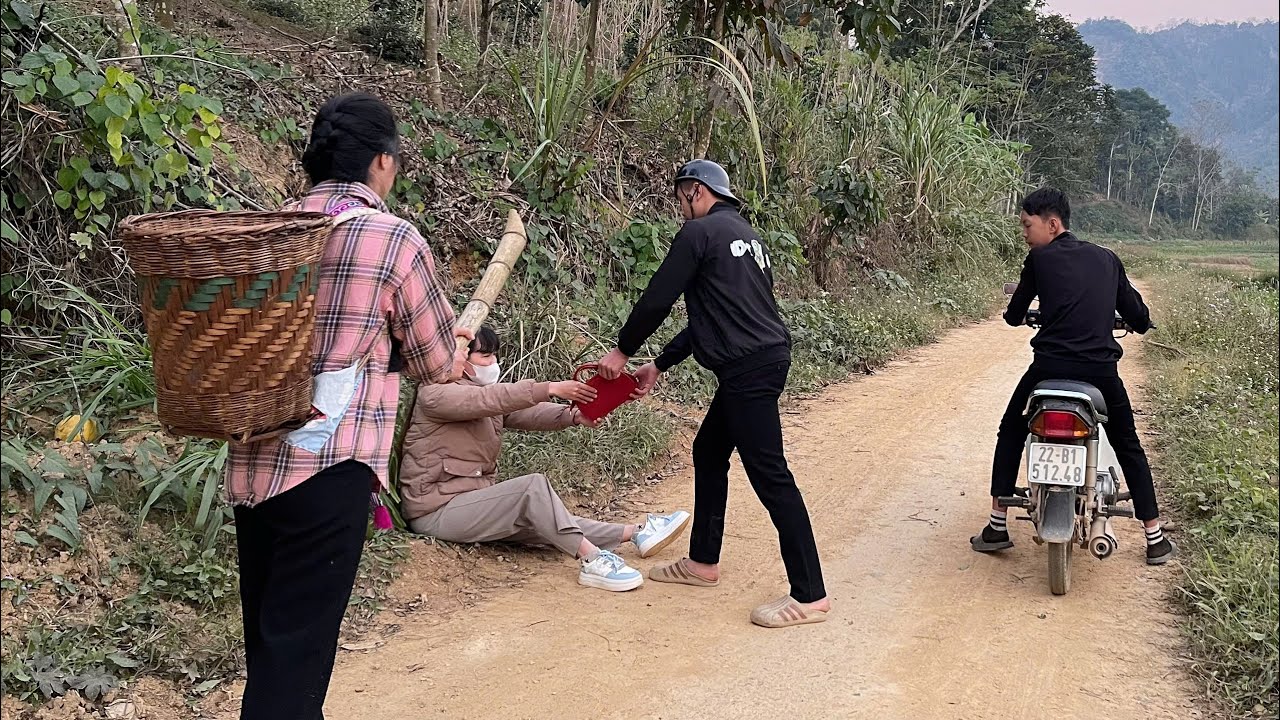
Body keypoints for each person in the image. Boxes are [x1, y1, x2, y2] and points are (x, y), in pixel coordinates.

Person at [224, 93, 471, 720]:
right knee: (297, 659)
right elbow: (437, 364)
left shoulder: (267, 230)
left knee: (273, 646)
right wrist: (455, 343)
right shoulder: (392, 240)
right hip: (329, 467)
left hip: (253, 462)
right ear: (382, 162)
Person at [595, 160, 829, 628]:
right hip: (761, 360)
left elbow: (658, 298)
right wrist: (659, 363)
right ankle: (703, 562)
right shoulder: (746, 236)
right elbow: (716, 317)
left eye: (680, 198)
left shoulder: (698, 233)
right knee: (708, 450)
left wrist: (622, 351)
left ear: (696, 191)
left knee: (771, 475)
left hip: (749, 369)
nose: (679, 208)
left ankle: (810, 595)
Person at [400, 326, 693, 591]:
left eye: (493, 356)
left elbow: (523, 412)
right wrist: (550, 388)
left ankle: (636, 533)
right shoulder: (434, 395)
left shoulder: (476, 393)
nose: (492, 363)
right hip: (437, 511)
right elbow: (491, 400)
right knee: (531, 488)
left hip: (471, 502)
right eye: (484, 356)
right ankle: (592, 560)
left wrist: (573, 415)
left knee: (549, 518)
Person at [971, 187, 1176, 565]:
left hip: (1048, 370)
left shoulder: (1039, 259)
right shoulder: (1107, 259)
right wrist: (1141, 323)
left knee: (1011, 430)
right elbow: (1136, 314)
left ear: (1052, 224)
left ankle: (998, 525)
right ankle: (1155, 537)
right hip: (1101, 374)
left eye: (1027, 225)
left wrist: (1026, 312)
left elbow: (1014, 315)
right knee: (1128, 443)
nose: (1024, 233)